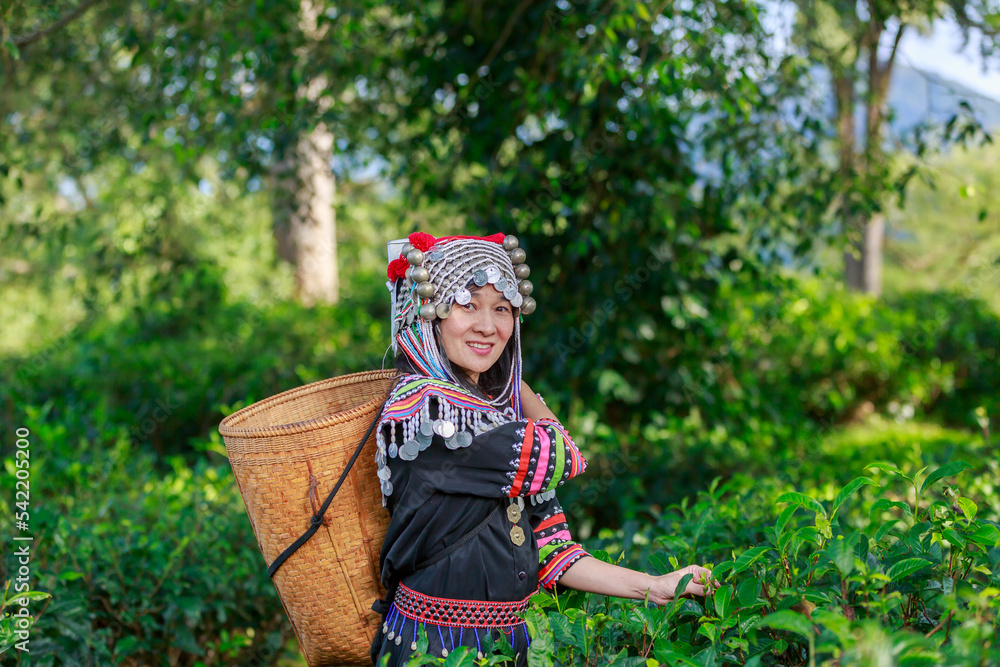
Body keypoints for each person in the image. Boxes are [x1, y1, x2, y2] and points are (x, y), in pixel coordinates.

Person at [370, 231, 715, 666]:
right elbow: (563, 455)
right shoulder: (427, 411)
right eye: (466, 303)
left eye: (502, 309)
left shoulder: (496, 417)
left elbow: (555, 553)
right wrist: (515, 385)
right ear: (429, 315)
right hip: (436, 650)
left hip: (508, 649)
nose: (488, 326)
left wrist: (655, 585)